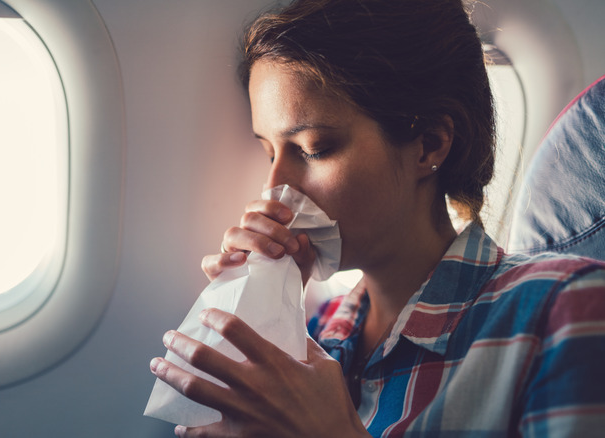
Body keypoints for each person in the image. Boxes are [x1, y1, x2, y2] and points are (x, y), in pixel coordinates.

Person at [149, 0, 605, 436]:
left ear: (428, 145)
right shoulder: (315, 332)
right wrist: (261, 310)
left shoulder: (565, 308)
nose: (274, 188)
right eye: (270, 153)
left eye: (313, 149)